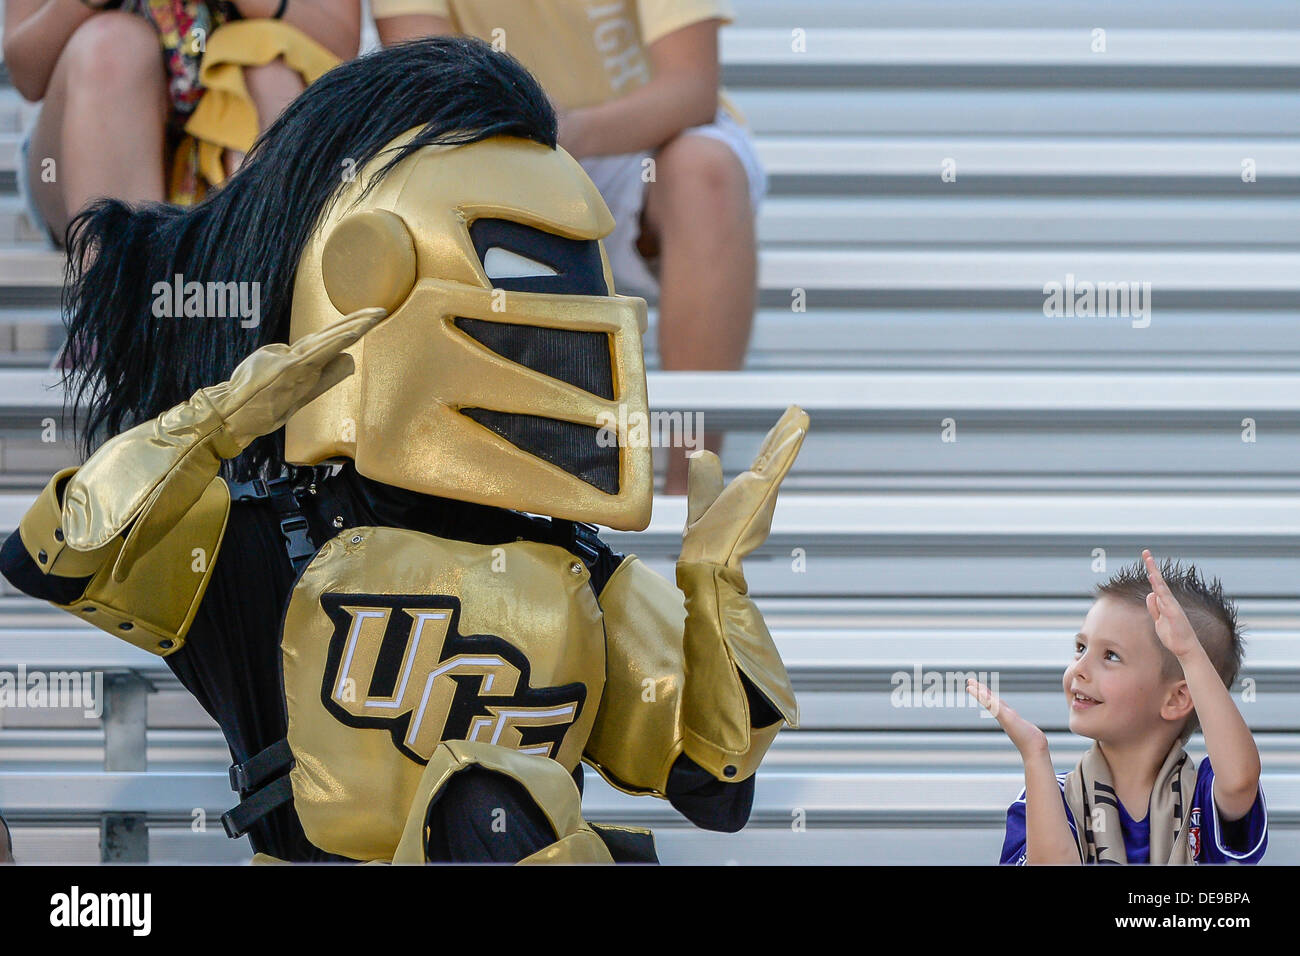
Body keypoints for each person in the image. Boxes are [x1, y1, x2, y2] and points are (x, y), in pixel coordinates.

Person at [0, 37, 806, 863]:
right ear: (371, 269)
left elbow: (715, 782)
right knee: (480, 793)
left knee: (491, 798)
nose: (574, 311)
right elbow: (54, 554)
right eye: (533, 271)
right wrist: (211, 428)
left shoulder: (573, 566)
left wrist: (716, 602)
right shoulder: (258, 543)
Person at [373, 0, 766, 495]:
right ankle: (520, 492)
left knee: (705, 170)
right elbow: (434, 82)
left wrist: (566, 131)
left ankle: (690, 489)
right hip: (496, 140)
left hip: (631, 138)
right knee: (444, 175)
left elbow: (691, 88)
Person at [970, 550, 1266, 864]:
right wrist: (1034, 754)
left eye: (1110, 655)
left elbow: (1241, 780)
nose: (1079, 669)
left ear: (1177, 698)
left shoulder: (1203, 796)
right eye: (1080, 648)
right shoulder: (1050, 797)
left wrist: (1189, 653)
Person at [3, 0, 360, 249]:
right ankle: (117, 320)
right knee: (111, 46)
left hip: (239, 140)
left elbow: (341, 49)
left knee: (269, 71)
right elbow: (26, 77)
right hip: (80, 158)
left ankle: (248, 311)